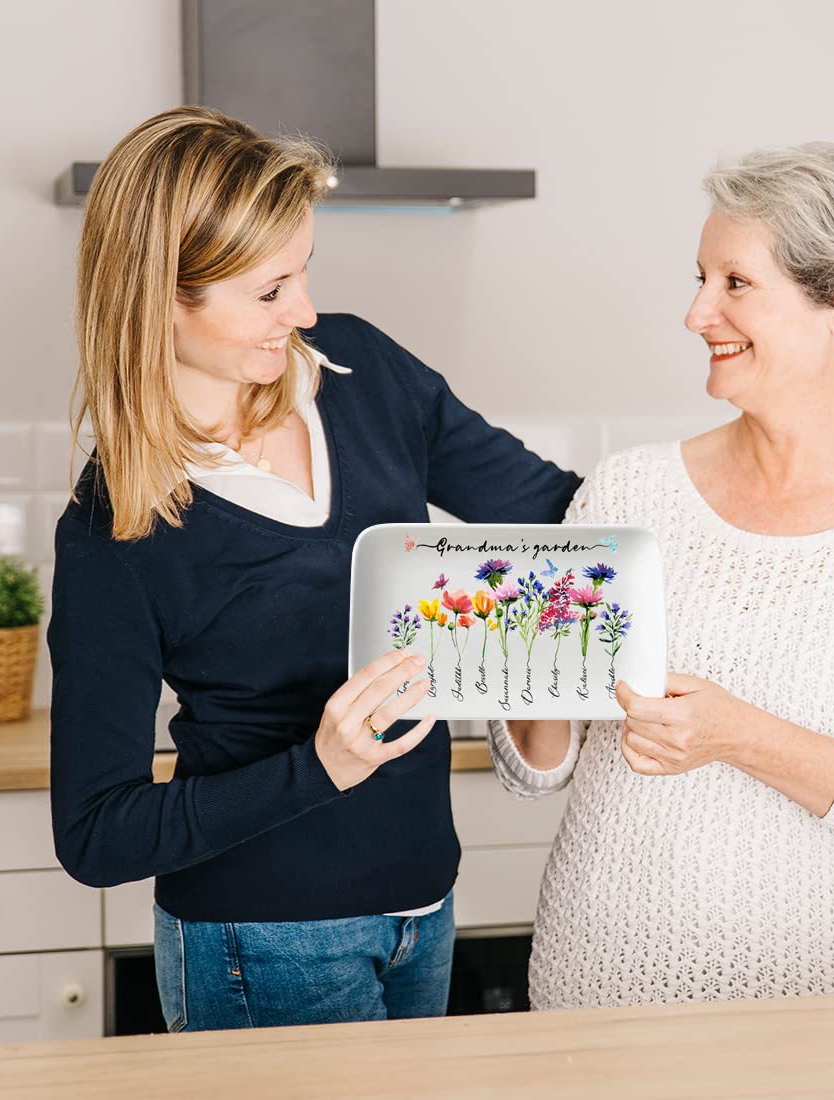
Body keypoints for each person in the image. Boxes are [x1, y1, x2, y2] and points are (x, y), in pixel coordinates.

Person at [47, 106, 580, 1032]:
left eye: (303, 272)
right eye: (267, 291)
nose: (301, 311)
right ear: (160, 300)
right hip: (261, 941)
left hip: (426, 901)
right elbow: (97, 834)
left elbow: (557, 509)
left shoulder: (362, 370)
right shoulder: (114, 529)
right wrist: (318, 767)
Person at [489, 143, 834, 1008]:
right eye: (699, 278)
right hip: (596, 988)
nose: (696, 314)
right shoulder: (628, 488)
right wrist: (518, 669)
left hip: (821, 1013)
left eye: (733, 283)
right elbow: (535, 767)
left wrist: (735, 735)